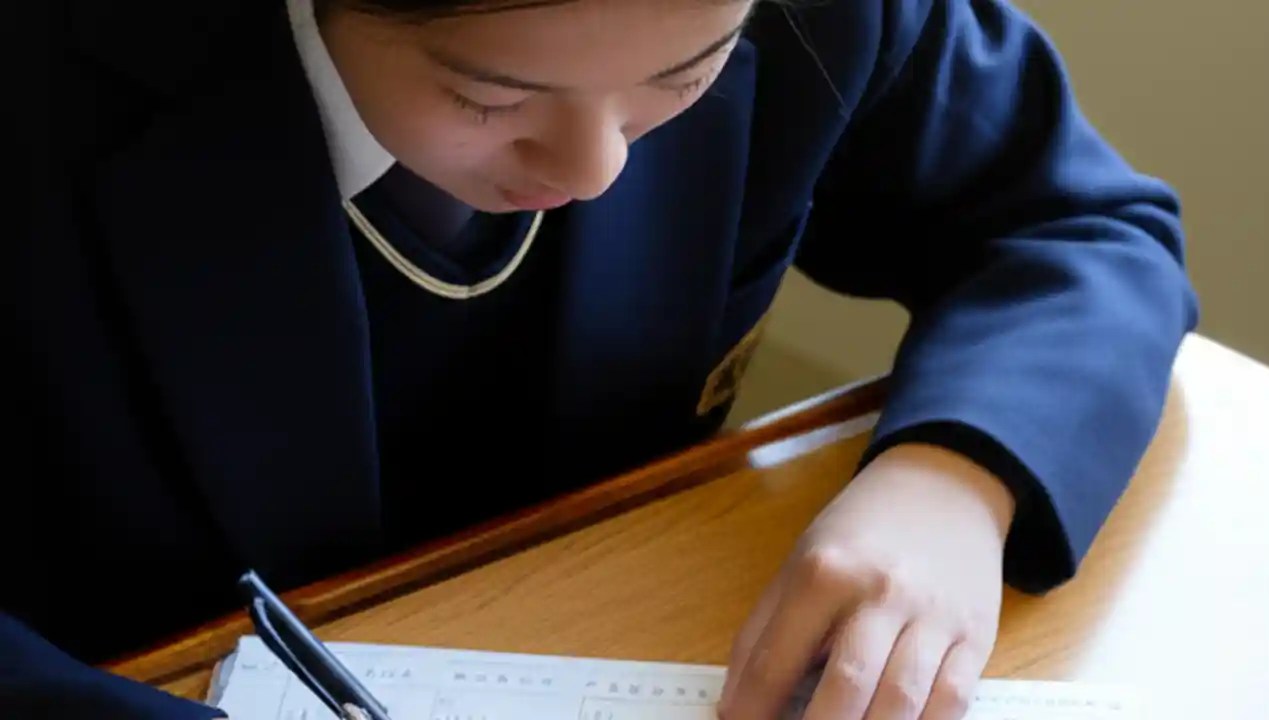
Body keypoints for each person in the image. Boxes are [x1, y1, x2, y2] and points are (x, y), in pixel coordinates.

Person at [5, 0, 1197, 717]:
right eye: (488, 96)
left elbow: (1078, 227)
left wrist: (952, 481)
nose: (594, 171)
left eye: (684, 76)